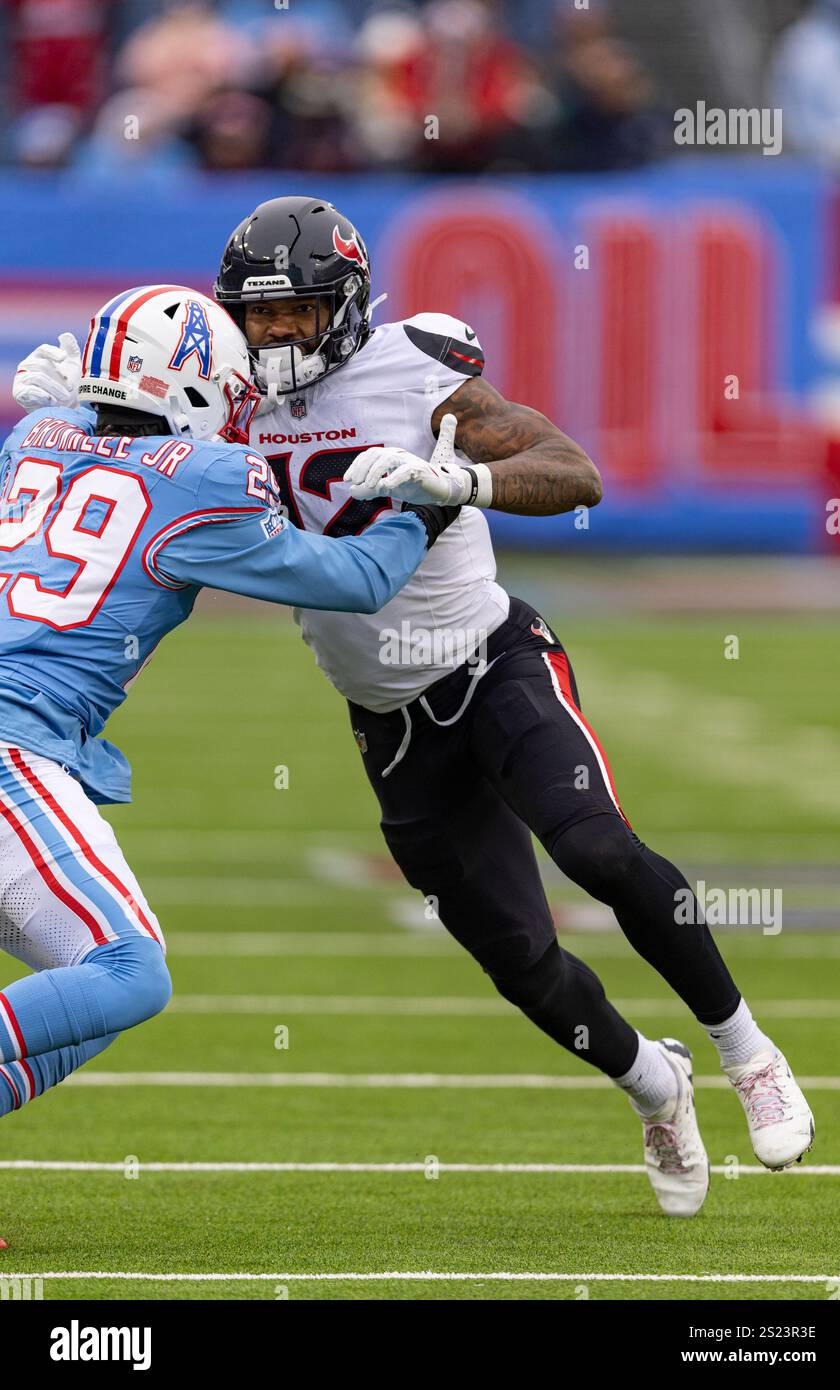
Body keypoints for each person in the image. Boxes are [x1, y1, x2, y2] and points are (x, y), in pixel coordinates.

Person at [15, 199, 815, 1218]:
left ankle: (746, 1051)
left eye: (298, 313)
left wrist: (462, 477)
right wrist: (78, 411)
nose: (276, 337)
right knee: (518, 960)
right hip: (382, 710)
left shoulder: (412, 367)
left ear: (344, 306)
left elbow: (575, 470)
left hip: (489, 660)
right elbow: (142, 446)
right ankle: (654, 1086)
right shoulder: (226, 398)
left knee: (597, 850)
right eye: (257, 318)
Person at [0, 283, 451, 1165]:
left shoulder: (27, 440)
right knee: (127, 976)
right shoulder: (203, 479)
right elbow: (355, 580)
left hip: (30, 741)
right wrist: (428, 509)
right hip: (11, 746)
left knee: (87, 994)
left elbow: (90, 457)